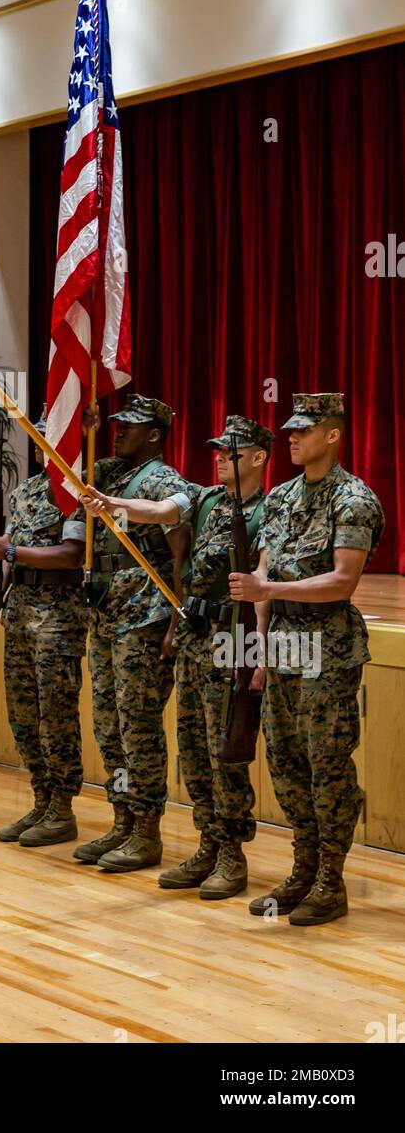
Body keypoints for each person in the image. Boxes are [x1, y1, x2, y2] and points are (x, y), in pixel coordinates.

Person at [229, 393, 384, 926]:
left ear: (334, 435)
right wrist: (258, 650)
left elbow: (342, 582)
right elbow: (263, 583)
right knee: (288, 767)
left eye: (304, 430)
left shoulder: (353, 499)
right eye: (289, 431)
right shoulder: (280, 498)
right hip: (283, 647)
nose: (291, 438)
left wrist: (266, 585)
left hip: (328, 650)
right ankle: (303, 868)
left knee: (328, 767)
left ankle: (330, 880)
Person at [156, 415, 274, 899]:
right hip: (197, 637)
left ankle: (232, 854)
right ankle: (207, 843)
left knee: (226, 749)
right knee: (193, 747)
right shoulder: (206, 500)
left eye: (232, 451)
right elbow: (159, 514)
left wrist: (259, 650)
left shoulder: (269, 510)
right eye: (219, 450)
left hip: (234, 637)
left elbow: (263, 587)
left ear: (259, 458)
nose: (221, 458)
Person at [74, 395, 194, 872]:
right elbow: (63, 471)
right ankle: (122, 819)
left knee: (137, 724)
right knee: (108, 724)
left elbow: (176, 533)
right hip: (107, 611)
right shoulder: (106, 471)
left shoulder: (162, 478)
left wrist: (175, 619)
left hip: (145, 615)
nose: (119, 430)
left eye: (131, 426)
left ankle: (147, 831)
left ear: (155, 435)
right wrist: (78, 428)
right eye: (117, 423)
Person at [0, 408, 89, 847]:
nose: (46, 445)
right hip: (21, 613)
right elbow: (9, 557)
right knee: (24, 715)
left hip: (58, 618)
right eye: (41, 438)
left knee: (56, 716)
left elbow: (72, 554)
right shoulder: (26, 492)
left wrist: (12, 552)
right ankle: (41, 799)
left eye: (53, 437)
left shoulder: (76, 494)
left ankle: (62, 809)